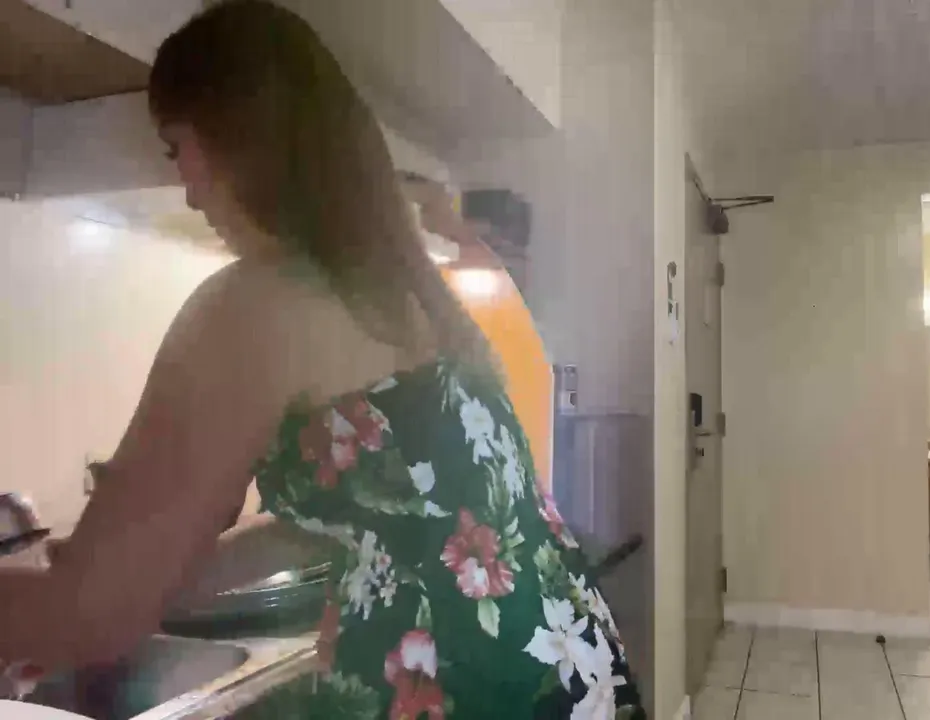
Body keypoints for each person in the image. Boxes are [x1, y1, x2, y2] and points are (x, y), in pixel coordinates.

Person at [0, 1, 643, 717]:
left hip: (465, 686)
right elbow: (336, 523)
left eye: (176, 148)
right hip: (567, 667)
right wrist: (151, 574)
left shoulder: (254, 304)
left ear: (234, 136)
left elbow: (93, 614)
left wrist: (96, 592)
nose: (187, 189)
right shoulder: (410, 292)